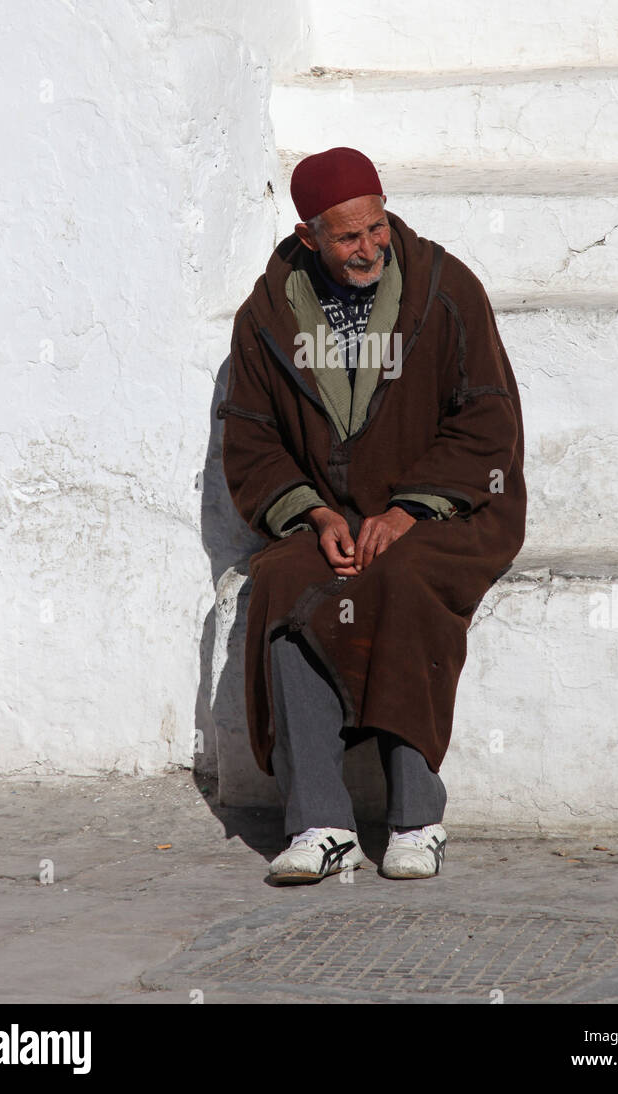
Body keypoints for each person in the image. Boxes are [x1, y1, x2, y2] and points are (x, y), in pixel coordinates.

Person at [217, 146, 526, 882]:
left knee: (403, 579)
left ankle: (416, 818)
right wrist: (316, 517)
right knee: (286, 585)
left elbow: (488, 424)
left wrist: (409, 508)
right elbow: (252, 440)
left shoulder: (446, 289)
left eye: (377, 227)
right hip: (331, 518)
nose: (369, 247)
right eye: (349, 236)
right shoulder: (266, 316)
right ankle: (323, 825)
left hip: (448, 511)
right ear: (308, 235)